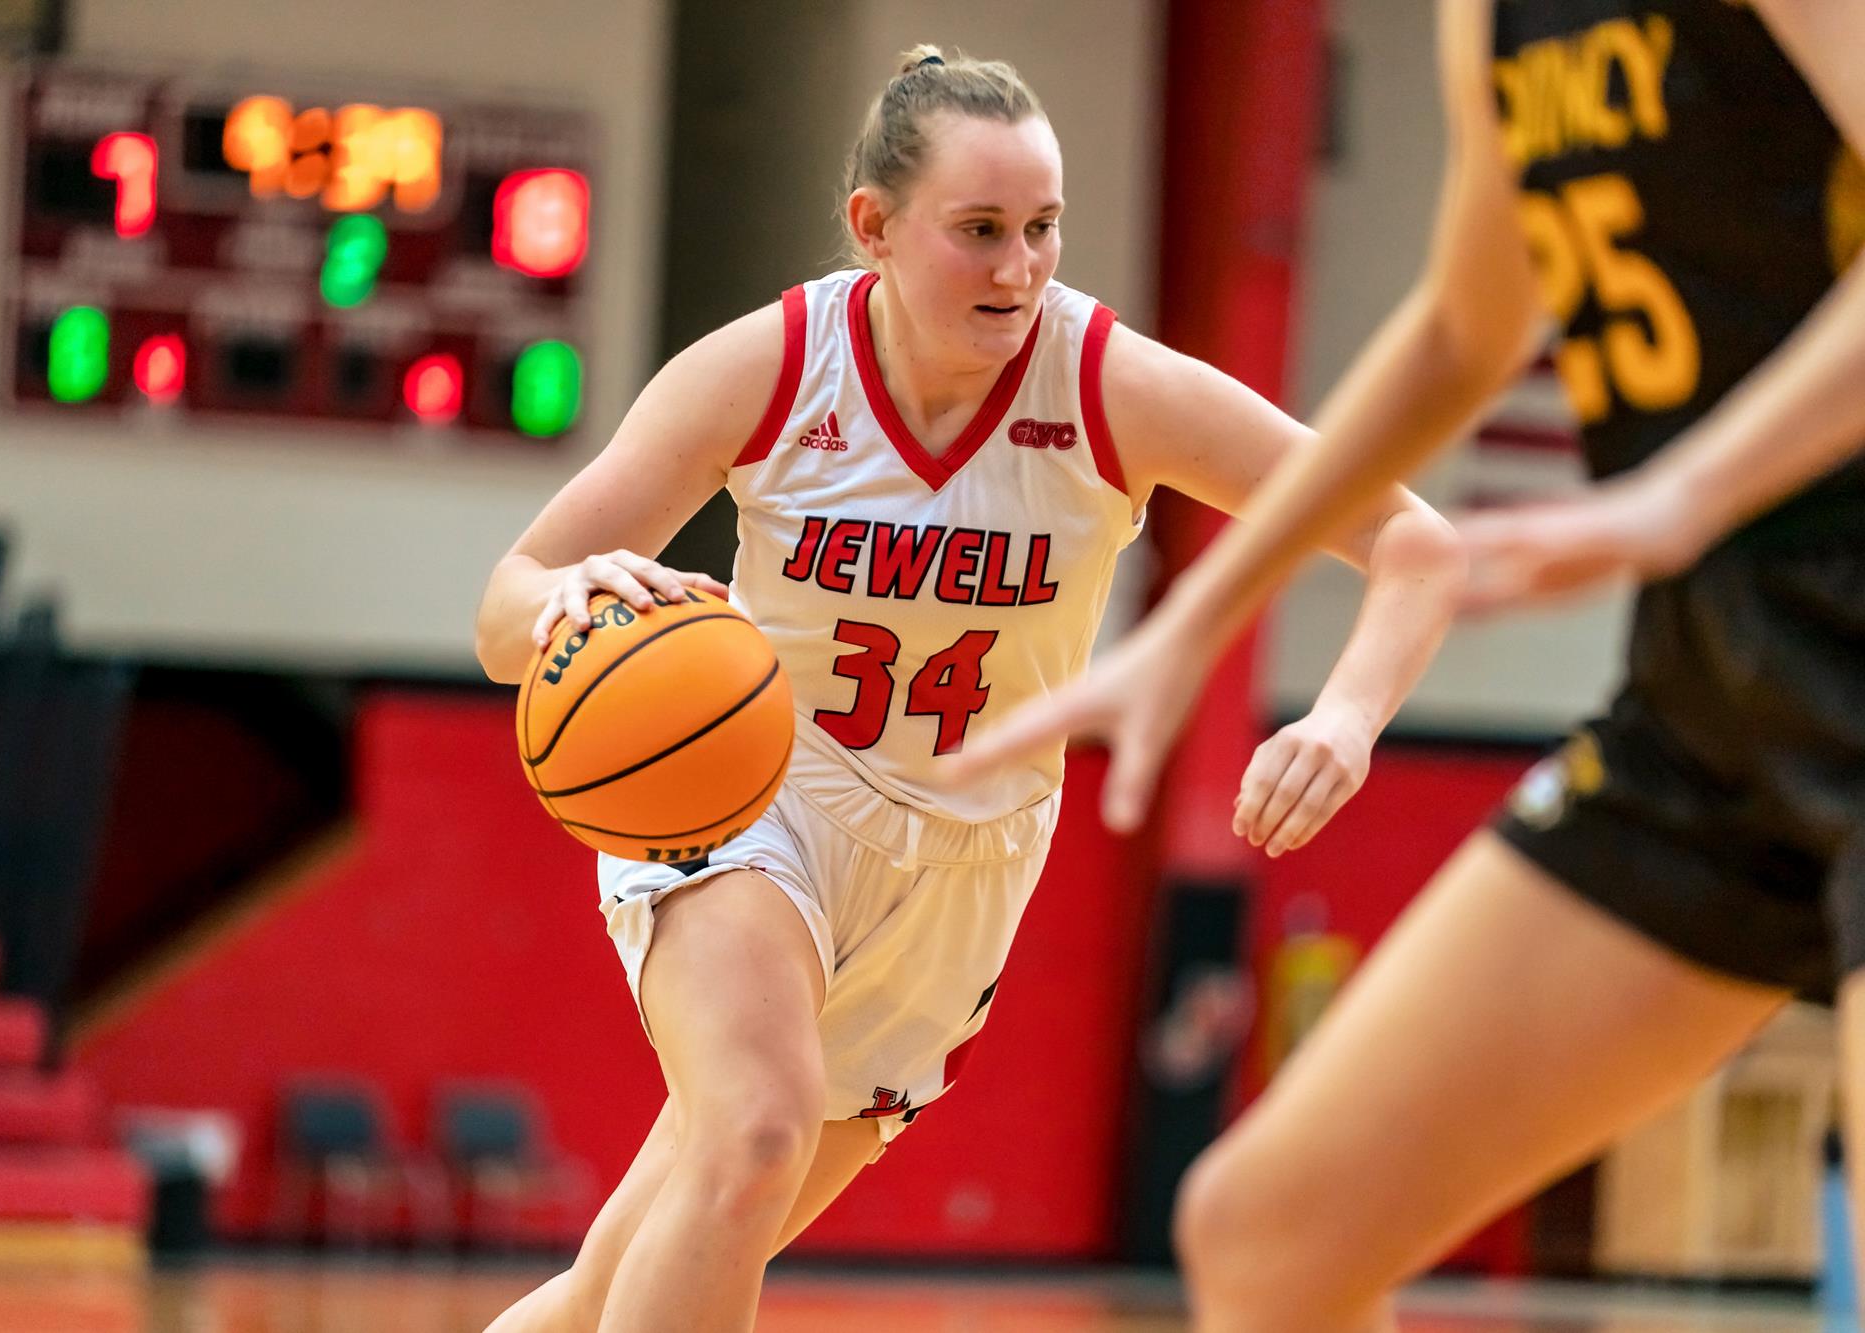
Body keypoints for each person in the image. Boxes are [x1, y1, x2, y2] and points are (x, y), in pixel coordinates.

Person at [473, 45, 1463, 1333]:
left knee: (628, 1271)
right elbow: (508, 604)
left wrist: (1345, 715)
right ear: (873, 228)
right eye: (980, 231)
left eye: (1042, 230)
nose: (1019, 268)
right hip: (754, 794)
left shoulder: (1108, 389)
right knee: (757, 1136)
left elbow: (1415, 543)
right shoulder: (772, 368)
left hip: (965, 860)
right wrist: (560, 602)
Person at [949, 2, 1865, 1328]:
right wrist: (1201, 617)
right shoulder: (1492, 16)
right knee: (1270, 1233)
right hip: (1723, 689)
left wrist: (1680, 499)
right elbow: (1459, 329)